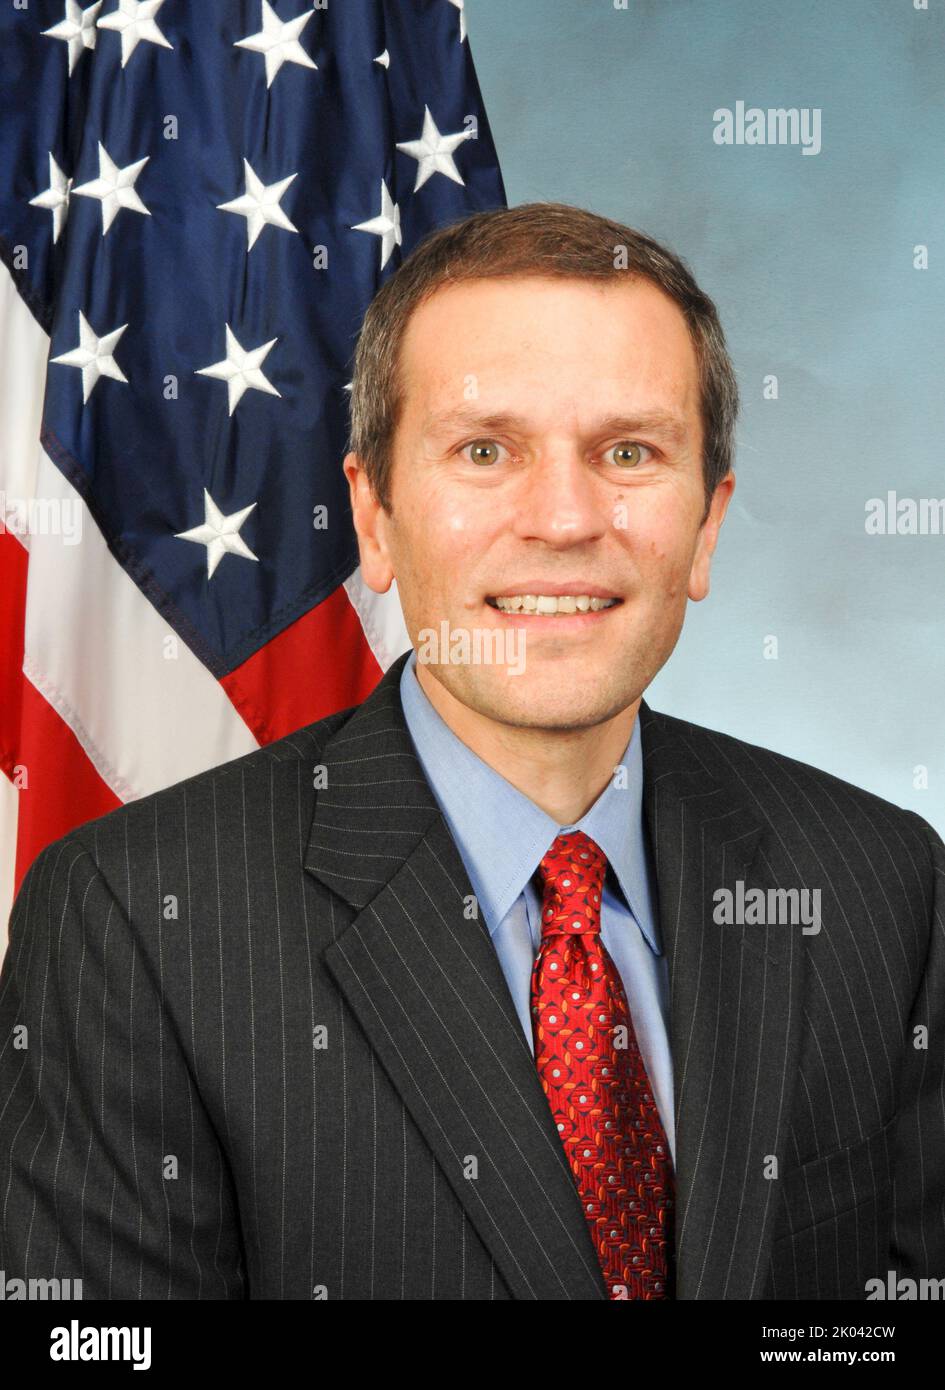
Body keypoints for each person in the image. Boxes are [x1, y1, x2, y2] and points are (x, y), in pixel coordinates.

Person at [1, 202, 942, 1301]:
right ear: (376, 517)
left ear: (708, 525)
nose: (563, 516)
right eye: (485, 449)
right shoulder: (137, 920)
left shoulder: (881, 885)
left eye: (628, 450)